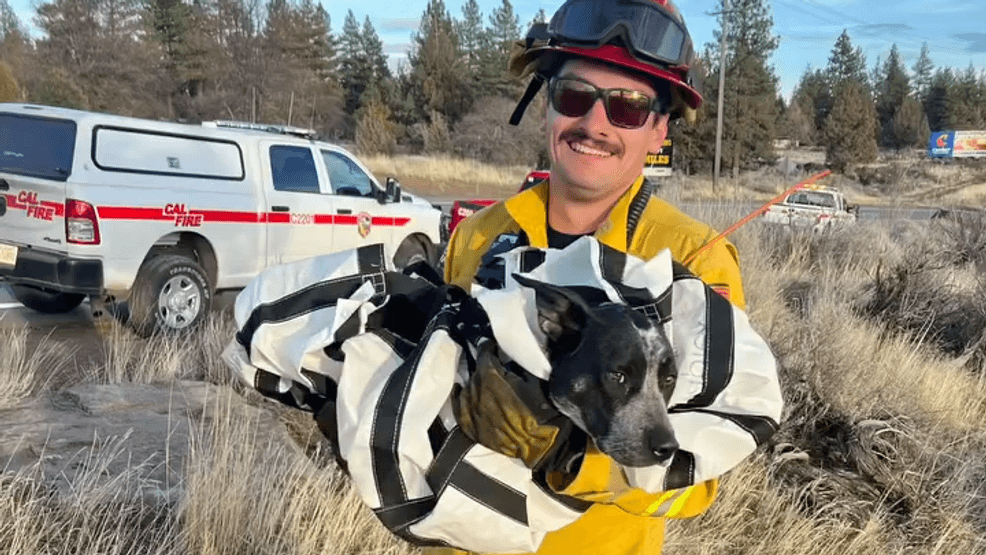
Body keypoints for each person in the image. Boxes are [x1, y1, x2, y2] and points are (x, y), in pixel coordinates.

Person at [441, 0, 750, 553]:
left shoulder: (693, 260)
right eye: (575, 97)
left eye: (628, 109)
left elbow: (700, 480)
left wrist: (565, 458)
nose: (593, 124)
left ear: (659, 130)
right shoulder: (480, 237)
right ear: (547, 106)